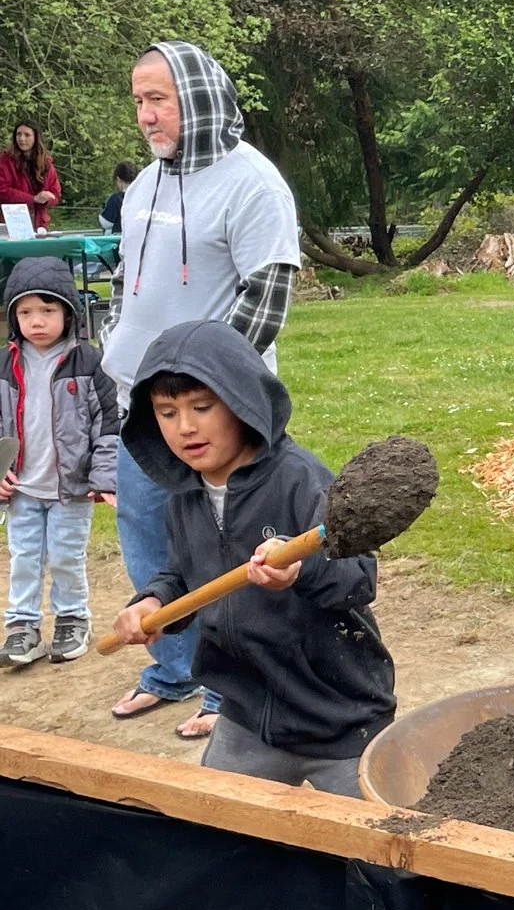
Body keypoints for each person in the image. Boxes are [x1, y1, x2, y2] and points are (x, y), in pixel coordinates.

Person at [102, 40, 302, 740]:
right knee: (150, 541)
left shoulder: (253, 183)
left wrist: (209, 390)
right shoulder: (146, 183)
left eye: (158, 99)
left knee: (226, 551)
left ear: (199, 97)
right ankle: (170, 669)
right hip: (142, 403)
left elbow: (268, 296)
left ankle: (228, 691)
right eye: (138, 101)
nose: (145, 115)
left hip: (215, 411)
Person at [109, 320, 394, 796]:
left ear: (242, 401)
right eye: (166, 412)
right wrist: (153, 601)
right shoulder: (184, 494)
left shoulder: (301, 482)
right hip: (244, 714)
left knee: (376, 855)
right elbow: (183, 571)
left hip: (339, 718)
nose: (186, 427)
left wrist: (301, 570)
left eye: (202, 407)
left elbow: (359, 577)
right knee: (219, 837)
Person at [0, 258, 117, 665]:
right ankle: (22, 626)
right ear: (13, 315)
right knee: (24, 558)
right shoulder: (4, 364)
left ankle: (72, 619)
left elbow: (108, 426)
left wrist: (103, 478)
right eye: (25, 311)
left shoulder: (89, 362)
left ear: (68, 311)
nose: (37, 320)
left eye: (47, 310)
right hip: (22, 489)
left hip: (72, 489)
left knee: (67, 556)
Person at [0, 120, 62, 232]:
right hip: (9, 223)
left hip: (39, 225)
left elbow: (56, 194)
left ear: (36, 138)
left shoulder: (46, 164)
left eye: (27, 135)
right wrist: (33, 199)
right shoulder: (4, 161)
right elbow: (2, 191)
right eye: (19, 134)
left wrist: (47, 198)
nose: (22, 139)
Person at [98, 160, 139, 233]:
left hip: (118, 240)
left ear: (118, 179)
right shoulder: (143, 197)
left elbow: (106, 223)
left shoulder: (115, 199)